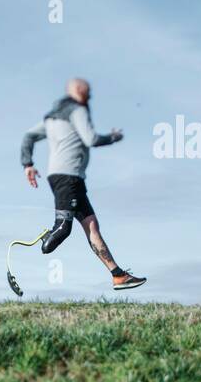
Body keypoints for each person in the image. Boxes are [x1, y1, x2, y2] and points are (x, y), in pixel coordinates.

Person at [20, 78, 147, 290]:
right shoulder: (77, 110)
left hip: (69, 178)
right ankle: (41, 242)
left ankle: (118, 275)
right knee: (63, 228)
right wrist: (114, 137)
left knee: (92, 226)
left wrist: (28, 164)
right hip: (67, 178)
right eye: (89, 93)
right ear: (80, 91)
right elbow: (91, 139)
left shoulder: (53, 117)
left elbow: (28, 136)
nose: (90, 97)